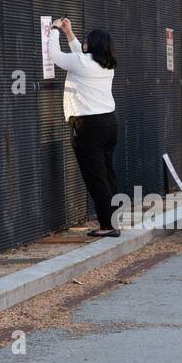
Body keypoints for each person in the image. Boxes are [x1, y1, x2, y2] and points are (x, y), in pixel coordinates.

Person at [49, 18, 120, 237]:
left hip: (88, 127)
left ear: (92, 44)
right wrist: (69, 33)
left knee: (95, 178)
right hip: (109, 123)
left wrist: (54, 30)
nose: (85, 42)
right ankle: (113, 220)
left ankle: (108, 226)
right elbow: (80, 55)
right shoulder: (105, 64)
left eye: (87, 40)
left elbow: (55, 56)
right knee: (107, 174)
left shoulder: (83, 62)